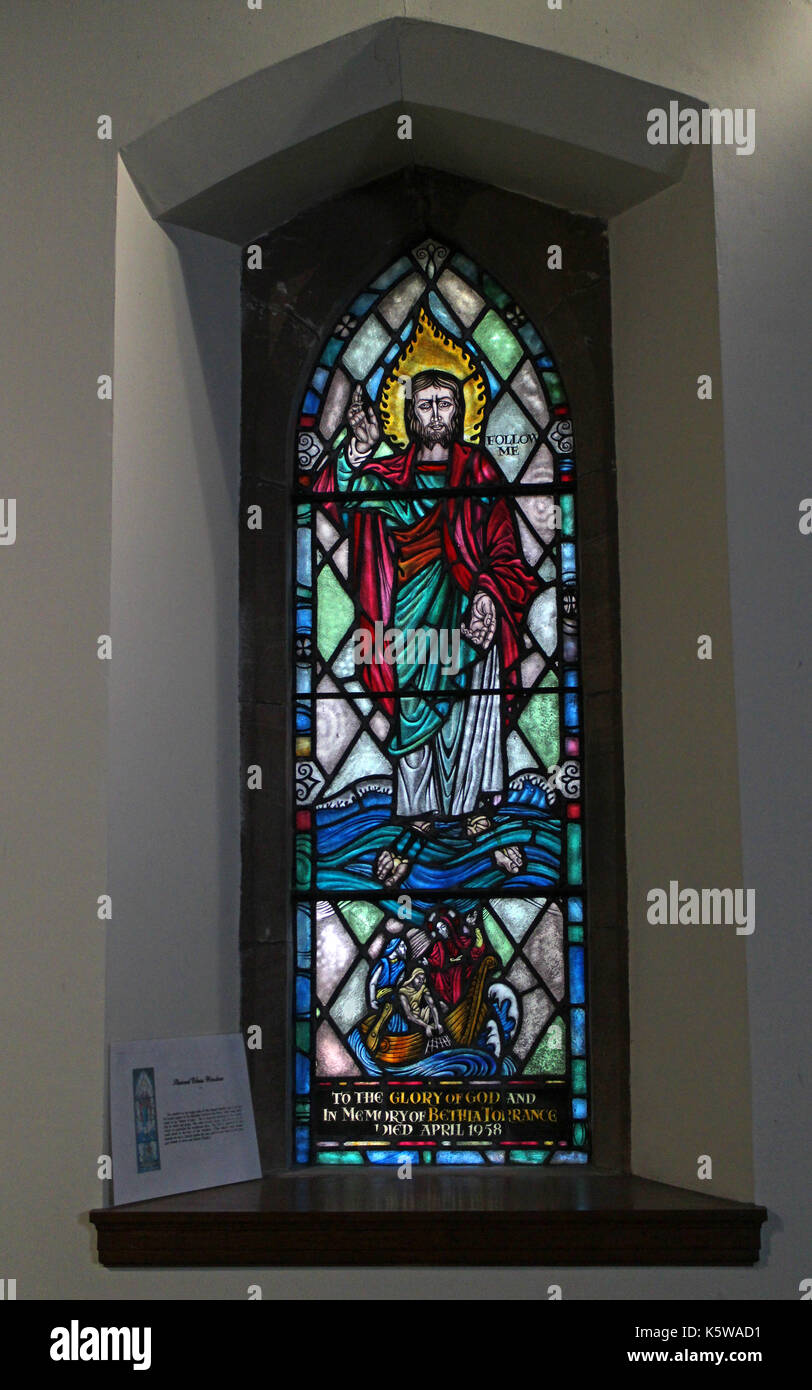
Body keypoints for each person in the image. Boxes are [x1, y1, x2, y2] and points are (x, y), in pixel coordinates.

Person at [315, 369, 539, 886]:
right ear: (409, 414)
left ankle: (476, 810)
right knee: (415, 709)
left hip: (468, 611)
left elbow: (506, 546)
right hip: (410, 615)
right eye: (425, 405)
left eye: (445, 404)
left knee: (470, 711)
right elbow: (335, 497)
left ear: (460, 411)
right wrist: (356, 450)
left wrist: (487, 593)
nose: (436, 415)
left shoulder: (480, 470)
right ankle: (416, 817)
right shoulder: (391, 474)